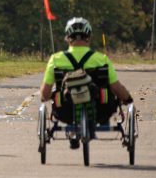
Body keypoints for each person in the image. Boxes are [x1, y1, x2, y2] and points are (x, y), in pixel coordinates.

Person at [41, 16, 132, 144]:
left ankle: (74, 131)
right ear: (88, 36)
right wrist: (127, 99)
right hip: (101, 110)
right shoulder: (101, 59)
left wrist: (45, 97)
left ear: (68, 36)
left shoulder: (56, 59)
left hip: (65, 110)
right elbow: (116, 87)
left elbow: (45, 93)